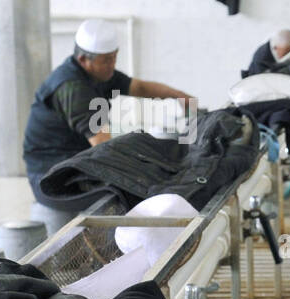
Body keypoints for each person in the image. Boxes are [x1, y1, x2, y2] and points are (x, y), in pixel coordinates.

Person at [23, 19, 193, 216]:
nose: (112, 65)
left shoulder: (100, 74)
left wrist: (182, 97)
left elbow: (140, 87)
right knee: (132, 190)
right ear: (83, 60)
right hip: (52, 177)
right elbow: (102, 144)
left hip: (75, 161)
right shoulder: (73, 88)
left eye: (114, 57)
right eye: (106, 60)